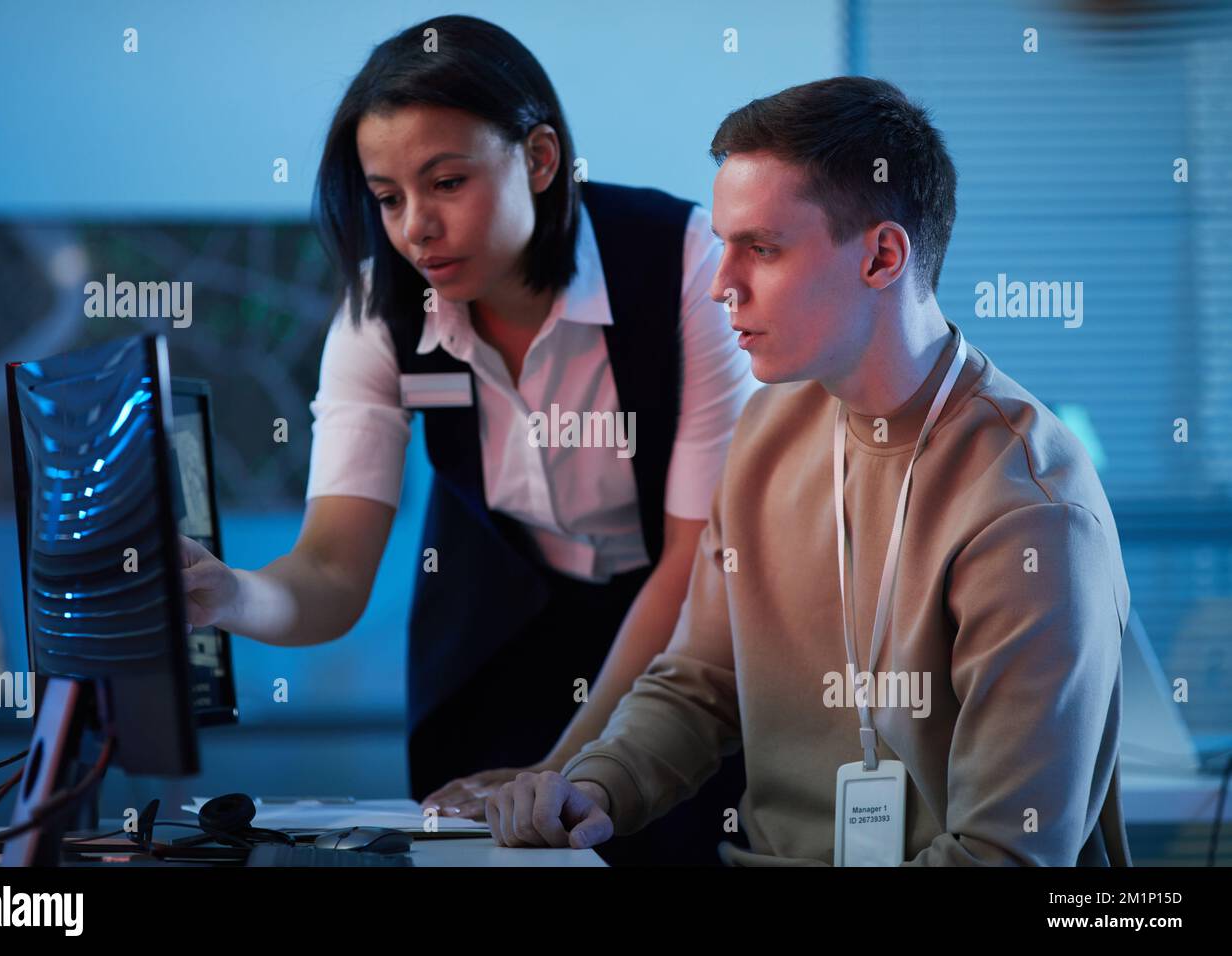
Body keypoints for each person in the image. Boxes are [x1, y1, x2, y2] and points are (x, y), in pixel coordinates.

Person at [485, 76, 1133, 866]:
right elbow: (699, 682)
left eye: (761, 248)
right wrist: (591, 789)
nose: (722, 283)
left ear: (882, 257)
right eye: (723, 245)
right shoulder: (769, 427)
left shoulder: (1031, 508)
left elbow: (1003, 857)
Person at [177, 15, 755, 865]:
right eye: (388, 197)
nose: (415, 227)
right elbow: (331, 571)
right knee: (476, 851)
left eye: (446, 182)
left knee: (668, 835)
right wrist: (229, 597)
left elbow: (689, 557)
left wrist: (565, 770)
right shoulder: (381, 312)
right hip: (498, 630)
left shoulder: (686, 262)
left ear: (540, 159)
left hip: (676, 619)